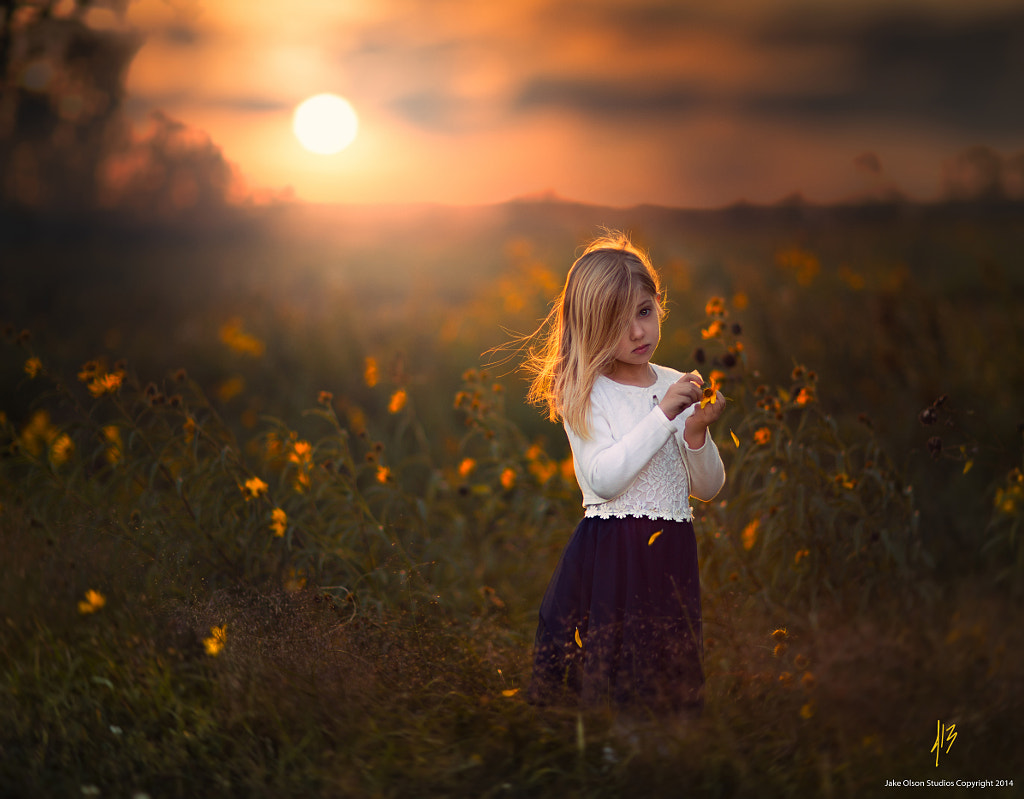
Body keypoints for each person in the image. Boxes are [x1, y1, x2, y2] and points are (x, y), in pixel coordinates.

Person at [524, 230, 726, 714]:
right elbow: (604, 479)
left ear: (658, 303)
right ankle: (607, 758)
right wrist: (662, 417)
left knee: (668, 663)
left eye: (643, 311)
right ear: (590, 328)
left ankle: (663, 758)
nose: (638, 332)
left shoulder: (675, 382)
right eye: (617, 322)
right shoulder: (586, 390)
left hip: (672, 549)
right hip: (613, 551)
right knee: (616, 664)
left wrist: (695, 433)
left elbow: (709, 487)